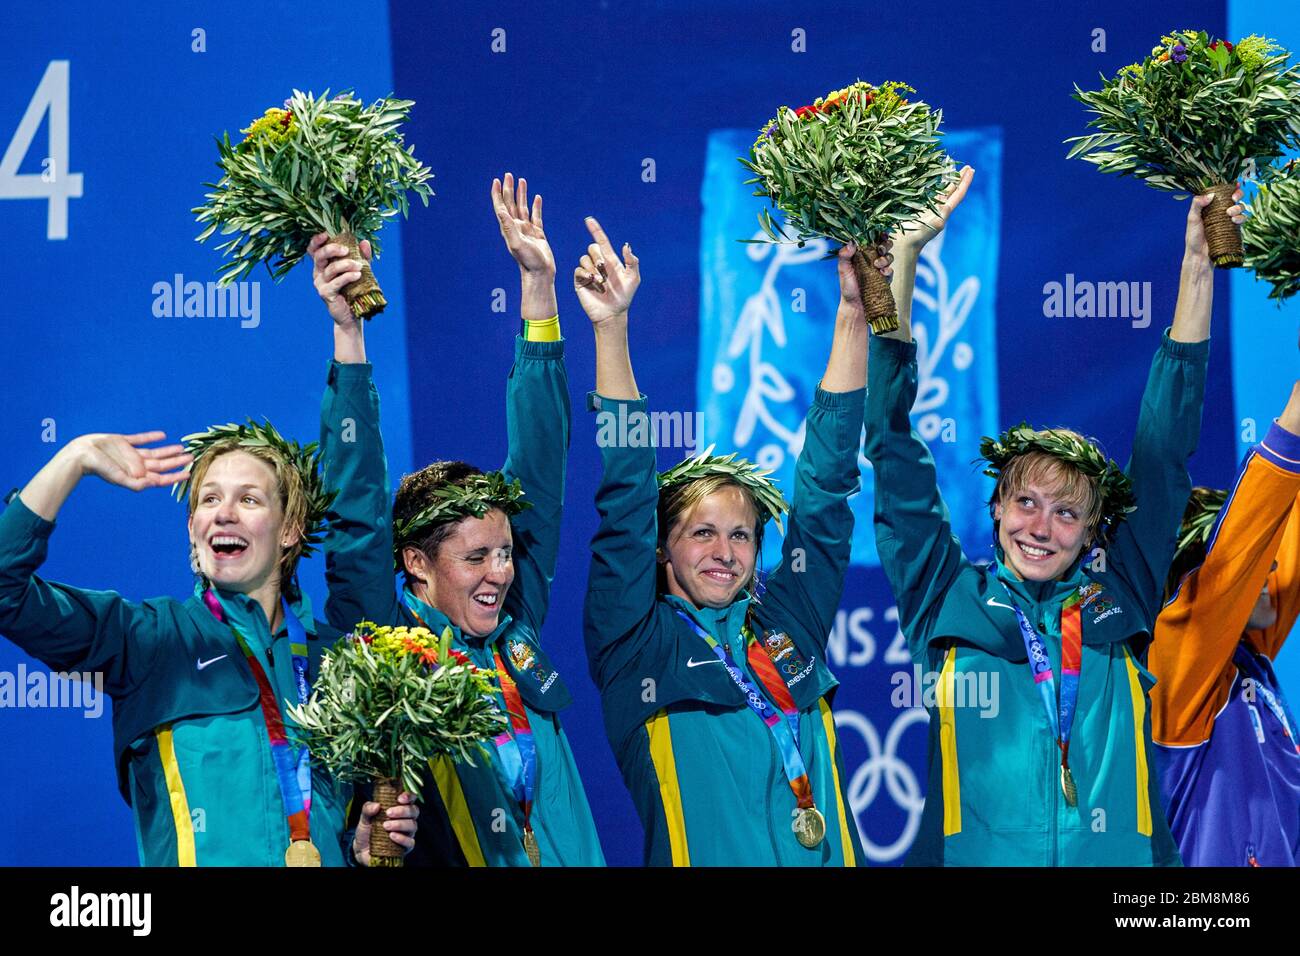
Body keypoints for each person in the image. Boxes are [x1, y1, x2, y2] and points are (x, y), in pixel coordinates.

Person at [864, 167, 1239, 865]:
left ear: (1094, 531)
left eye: (1067, 513)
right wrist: (907, 261)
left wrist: (1197, 264)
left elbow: (1163, 458)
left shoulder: (1121, 596)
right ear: (997, 507)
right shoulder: (944, 597)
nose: (1040, 526)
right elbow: (891, 444)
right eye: (1026, 502)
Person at [311, 172, 604, 866]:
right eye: (475, 558)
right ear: (415, 561)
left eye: (504, 554)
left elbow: (541, 467)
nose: (501, 575)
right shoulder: (386, 639)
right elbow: (356, 511)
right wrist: (348, 335)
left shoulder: (512, 625)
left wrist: (538, 289)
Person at [581, 214, 879, 865]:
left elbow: (826, 493)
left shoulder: (785, 624)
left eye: (741, 535)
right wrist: (611, 328)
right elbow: (627, 494)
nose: (725, 552)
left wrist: (854, 313)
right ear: (660, 549)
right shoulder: (635, 644)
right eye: (702, 533)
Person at [0, 422, 417, 865]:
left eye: (249, 499)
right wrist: (74, 458)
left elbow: (334, 824)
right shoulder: (150, 641)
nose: (223, 513)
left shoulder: (341, 660)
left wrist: (357, 850)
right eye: (209, 498)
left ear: (291, 529)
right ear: (193, 528)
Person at [1150, 377, 1300, 866]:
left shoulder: (1247, 656)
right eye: (1257, 566)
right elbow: (1234, 557)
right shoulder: (1173, 674)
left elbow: (1286, 531)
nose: (1271, 567)